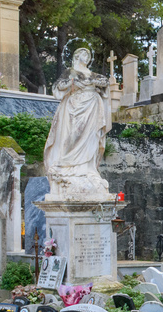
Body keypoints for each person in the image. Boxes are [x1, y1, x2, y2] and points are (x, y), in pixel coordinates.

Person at [42, 47, 112, 198]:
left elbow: (106, 83)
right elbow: (58, 87)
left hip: (92, 106)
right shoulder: (70, 72)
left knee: (91, 137)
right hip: (74, 107)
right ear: (76, 56)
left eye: (88, 54)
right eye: (83, 54)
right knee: (72, 136)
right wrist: (72, 83)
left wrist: (96, 82)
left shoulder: (93, 74)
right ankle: (65, 165)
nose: (86, 57)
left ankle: (87, 169)